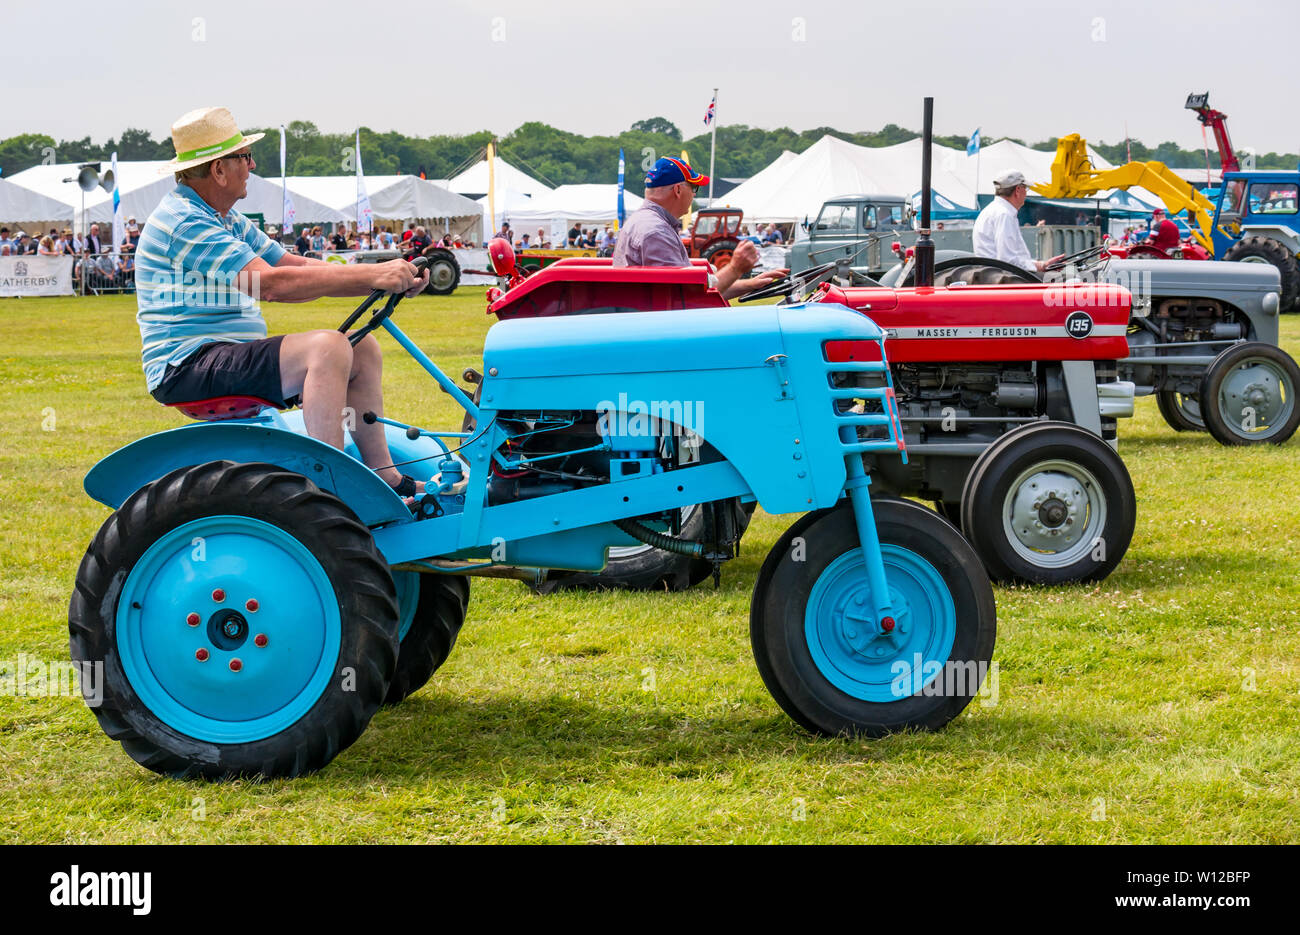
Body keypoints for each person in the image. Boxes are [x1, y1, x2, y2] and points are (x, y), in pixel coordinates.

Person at [136, 106, 431, 498]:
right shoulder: (186, 220)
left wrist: (387, 275)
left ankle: (388, 480)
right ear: (219, 170)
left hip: (220, 355)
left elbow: (292, 264)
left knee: (362, 348)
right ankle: (332, 494)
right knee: (327, 348)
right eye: (244, 157)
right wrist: (372, 275)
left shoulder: (226, 218)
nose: (252, 165)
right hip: (186, 364)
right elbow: (271, 283)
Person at [613, 156, 786, 300]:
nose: (695, 194)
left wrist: (750, 284)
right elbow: (685, 299)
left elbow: (699, 289)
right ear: (678, 190)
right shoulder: (656, 232)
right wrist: (735, 268)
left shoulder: (645, 223)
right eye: (694, 187)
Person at [971, 170, 1063, 273]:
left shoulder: (994, 211)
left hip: (995, 275)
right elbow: (1008, 261)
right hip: (1005, 278)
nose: (1026, 193)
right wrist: (1040, 266)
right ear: (1018, 190)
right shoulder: (1004, 214)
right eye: (1026, 188)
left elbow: (1010, 259)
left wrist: (1042, 265)